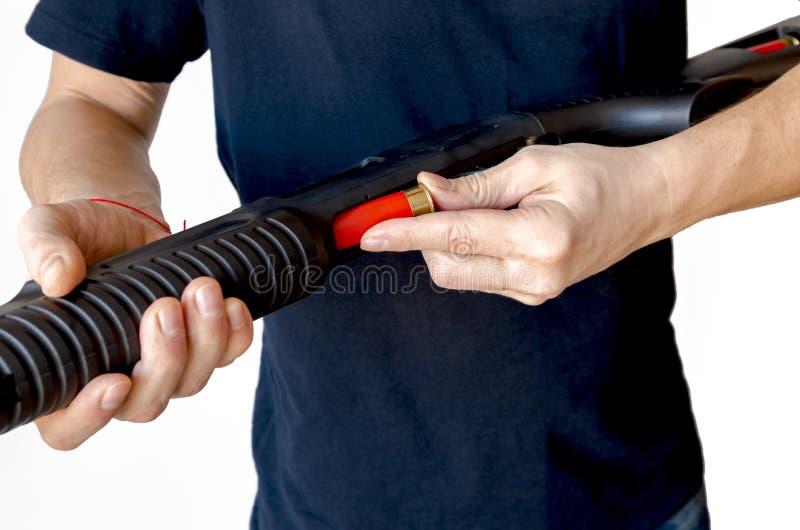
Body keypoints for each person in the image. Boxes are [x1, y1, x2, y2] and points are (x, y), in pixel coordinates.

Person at [16, 1, 800, 528]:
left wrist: (662, 186)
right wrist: (106, 207)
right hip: (312, 498)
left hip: (619, 499)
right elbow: (95, 96)